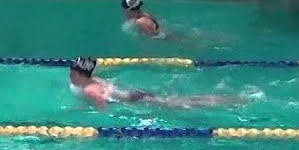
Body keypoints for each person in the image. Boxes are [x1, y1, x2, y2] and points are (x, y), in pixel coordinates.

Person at [68, 57, 253, 110]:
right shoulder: (93, 80)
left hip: (137, 100)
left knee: (180, 104)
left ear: (77, 72)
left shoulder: (90, 89)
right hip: (136, 93)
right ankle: (232, 98)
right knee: (181, 99)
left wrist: (81, 110)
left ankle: (233, 101)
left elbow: (105, 111)